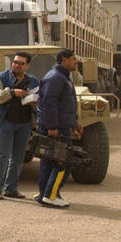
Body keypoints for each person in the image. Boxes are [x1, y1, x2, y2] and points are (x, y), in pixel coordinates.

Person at [0, 51, 37, 199]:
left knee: (18, 157)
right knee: (2, 155)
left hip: (24, 123)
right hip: (5, 122)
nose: (17, 65)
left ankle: (11, 188)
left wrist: (33, 102)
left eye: (21, 63)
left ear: (27, 65)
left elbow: (40, 97)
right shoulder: (1, 77)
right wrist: (12, 92)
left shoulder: (33, 80)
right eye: (15, 62)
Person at [35, 49, 81, 208]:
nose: (76, 61)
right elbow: (48, 104)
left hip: (60, 125)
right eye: (73, 58)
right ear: (63, 60)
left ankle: (46, 194)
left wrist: (75, 122)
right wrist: (52, 127)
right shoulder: (55, 78)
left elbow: (67, 103)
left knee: (49, 162)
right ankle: (50, 195)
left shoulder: (63, 77)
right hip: (56, 128)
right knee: (63, 162)